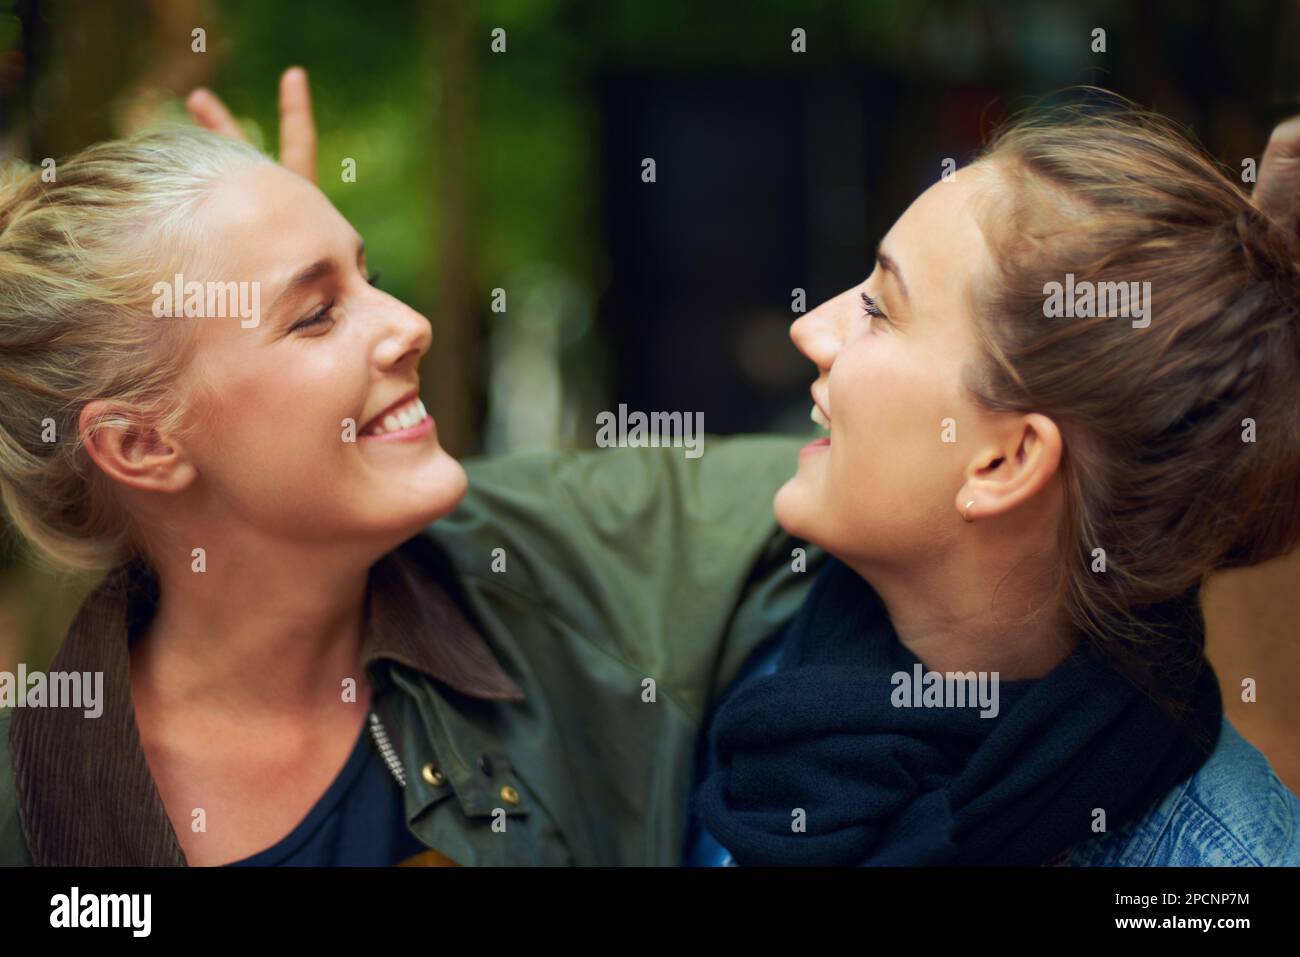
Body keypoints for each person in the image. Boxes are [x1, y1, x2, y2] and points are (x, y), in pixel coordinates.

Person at [2, 72, 1298, 866]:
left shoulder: (589, 579)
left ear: (1011, 457)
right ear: (141, 446)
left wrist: (285, 340)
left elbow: (1057, 512)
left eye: (375, 276)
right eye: (320, 307)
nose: (412, 325)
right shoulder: (47, 805)